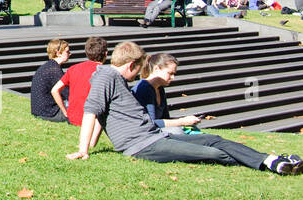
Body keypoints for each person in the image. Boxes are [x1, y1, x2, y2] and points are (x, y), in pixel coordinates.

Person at [67, 41, 301, 174]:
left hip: (155, 135)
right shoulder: (106, 76)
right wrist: (83, 149)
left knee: (215, 140)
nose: (140, 73)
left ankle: (271, 160)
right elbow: (92, 111)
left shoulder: (113, 80)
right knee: (214, 154)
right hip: (142, 145)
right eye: (139, 68)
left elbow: (101, 113)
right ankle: (267, 165)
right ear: (131, 65)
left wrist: (93, 143)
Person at [132, 53, 203, 134]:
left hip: (156, 130)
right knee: (177, 131)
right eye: (170, 73)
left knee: (191, 128)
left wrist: (186, 121)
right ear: (156, 69)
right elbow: (151, 123)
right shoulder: (144, 88)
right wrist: (182, 121)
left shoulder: (159, 88)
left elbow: (166, 118)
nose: (173, 78)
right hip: (145, 133)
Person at [51, 35, 107, 125]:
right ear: (106, 54)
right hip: (92, 120)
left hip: (72, 118)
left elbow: (54, 90)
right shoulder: (105, 72)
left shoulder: (73, 68)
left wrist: (65, 112)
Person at [31, 39, 70, 122]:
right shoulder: (54, 70)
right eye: (67, 52)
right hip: (49, 112)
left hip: (38, 111)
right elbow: (67, 93)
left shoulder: (48, 66)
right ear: (58, 53)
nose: (70, 54)